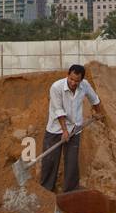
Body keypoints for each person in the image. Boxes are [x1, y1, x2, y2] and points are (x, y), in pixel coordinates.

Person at [40, 64, 105, 194]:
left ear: (81, 80)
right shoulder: (56, 87)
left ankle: (70, 191)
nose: (73, 83)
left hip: (75, 129)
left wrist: (98, 112)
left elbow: (95, 99)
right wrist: (64, 131)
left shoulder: (84, 85)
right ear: (68, 75)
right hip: (56, 129)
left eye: (77, 81)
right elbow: (59, 110)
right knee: (50, 161)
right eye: (71, 79)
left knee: (72, 162)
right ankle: (46, 190)